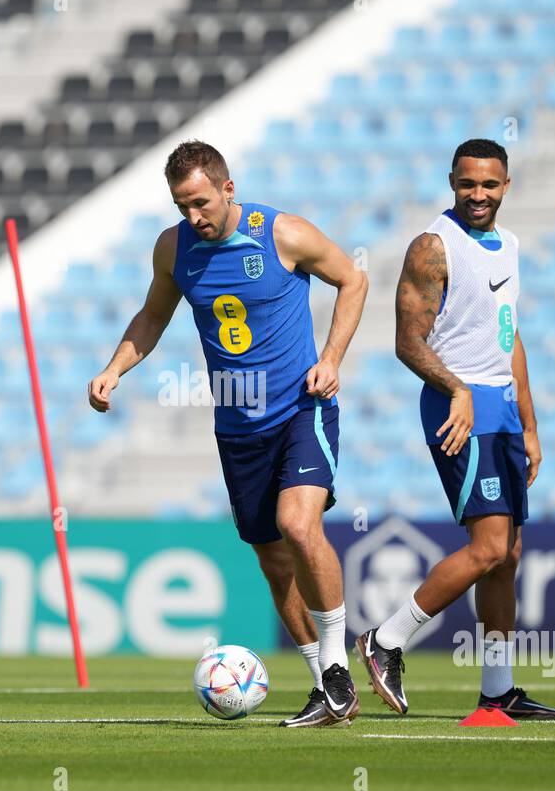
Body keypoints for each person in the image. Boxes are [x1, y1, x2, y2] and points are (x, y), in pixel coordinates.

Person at [88, 141, 369, 727]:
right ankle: (324, 686)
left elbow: (353, 280)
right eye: (181, 205)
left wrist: (334, 357)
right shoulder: (174, 247)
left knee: (298, 524)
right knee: (272, 559)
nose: (194, 216)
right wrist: (115, 369)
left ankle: (340, 665)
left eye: (200, 202)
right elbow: (154, 315)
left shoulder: (283, 233)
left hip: (302, 406)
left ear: (227, 188)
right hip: (238, 428)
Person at [355, 139, 555, 721]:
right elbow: (407, 342)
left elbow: (509, 336)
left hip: (499, 409)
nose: (478, 195)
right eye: (467, 184)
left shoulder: (510, 246)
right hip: (458, 408)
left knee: (509, 553)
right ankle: (386, 640)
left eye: (489, 185)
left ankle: (498, 691)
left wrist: (530, 423)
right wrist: (458, 390)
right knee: (490, 546)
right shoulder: (433, 247)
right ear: (452, 181)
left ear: (506, 185)